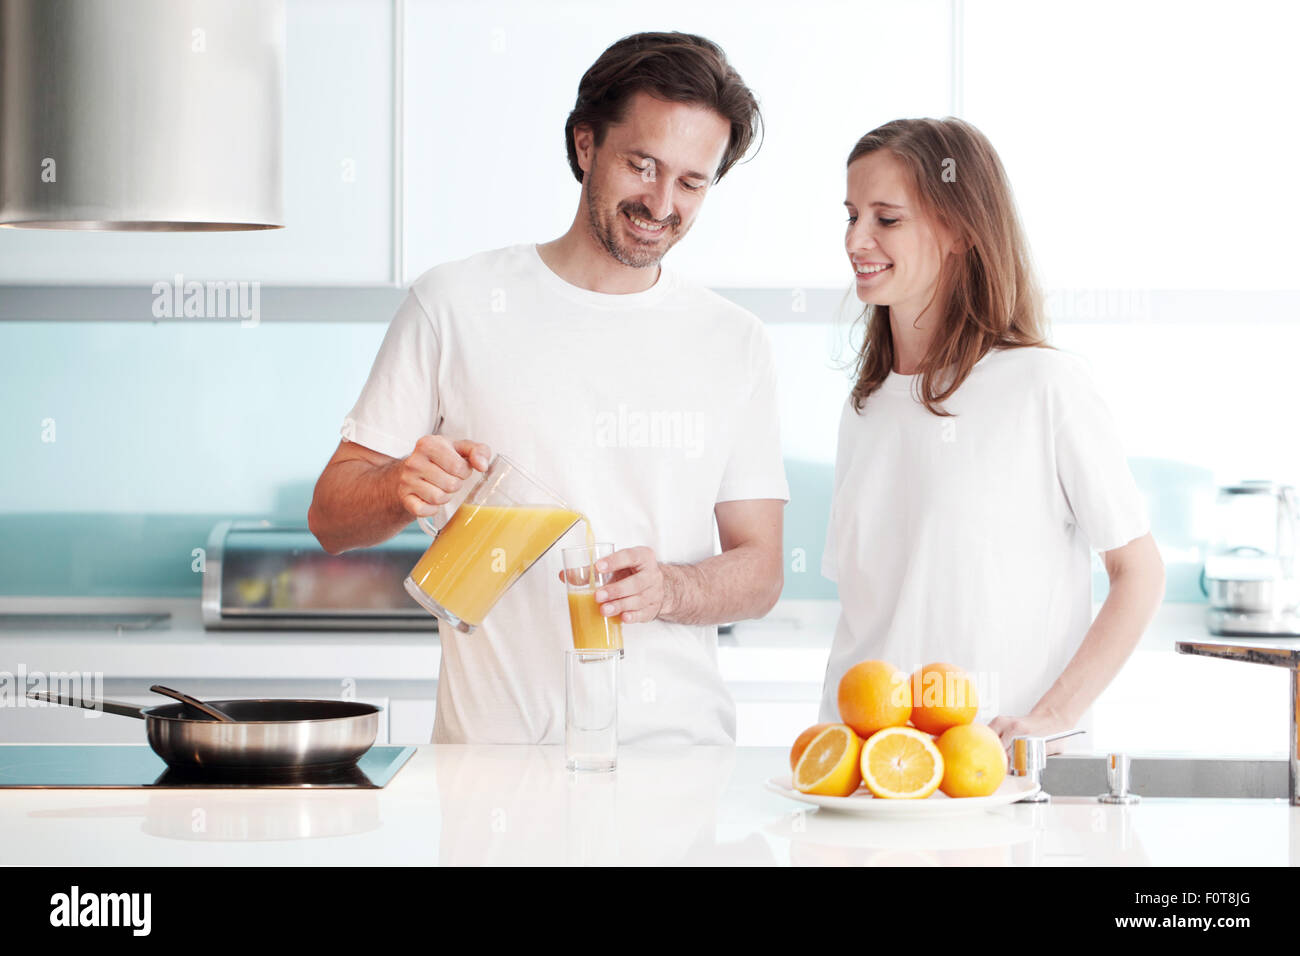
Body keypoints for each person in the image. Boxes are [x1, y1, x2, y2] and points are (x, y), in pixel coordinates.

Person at [308, 32, 788, 745]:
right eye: (642, 165)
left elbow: (762, 568)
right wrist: (398, 485)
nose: (661, 203)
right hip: (491, 771)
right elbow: (330, 518)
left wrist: (674, 591)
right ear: (586, 143)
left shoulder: (734, 341)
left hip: (674, 767)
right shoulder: (456, 302)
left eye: (692, 182)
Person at [819, 117, 1165, 752]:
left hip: (1003, 777)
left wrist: (1053, 717)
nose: (856, 239)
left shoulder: (1044, 385)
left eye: (886, 219)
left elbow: (1138, 572)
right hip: (872, 776)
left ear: (958, 230)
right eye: (850, 215)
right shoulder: (863, 407)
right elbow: (869, 619)